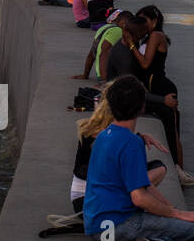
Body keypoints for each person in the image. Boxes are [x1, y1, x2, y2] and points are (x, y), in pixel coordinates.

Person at [83, 76, 194, 241]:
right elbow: (139, 197)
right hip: (120, 226)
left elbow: (143, 185)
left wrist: (173, 210)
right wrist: (177, 215)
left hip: (98, 228)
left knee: (185, 228)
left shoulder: (105, 135)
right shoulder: (130, 144)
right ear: (141, 107)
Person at [50, 91, 168, 227]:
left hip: (102, 192)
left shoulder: (108, 133)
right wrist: (171, 210)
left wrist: (140, 137)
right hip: (86, 201)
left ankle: (146, 202)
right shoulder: (98, 135)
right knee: (137, 179)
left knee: (158, 168)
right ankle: (156, 206)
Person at [104, 15, 193, 186]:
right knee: (167, 112)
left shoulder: (129, 47)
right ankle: (175, 167)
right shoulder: (125, 57)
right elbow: (131, 91)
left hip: (129, 94)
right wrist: (162, 100)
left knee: (172, 115)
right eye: (145, 33)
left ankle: (177, 165)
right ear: (137, 35)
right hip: (122, 101)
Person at [134, 5, 194, 186]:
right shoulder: (147, 36)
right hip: (155, 87)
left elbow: (145, 64)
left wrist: (130, 45)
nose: (142, 24)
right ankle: (178, 170)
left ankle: (179, 170)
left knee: (173, 131)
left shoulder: (156, 36)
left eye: (145, 20)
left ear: (154, 21)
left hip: (163, 87)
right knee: (170, 129)